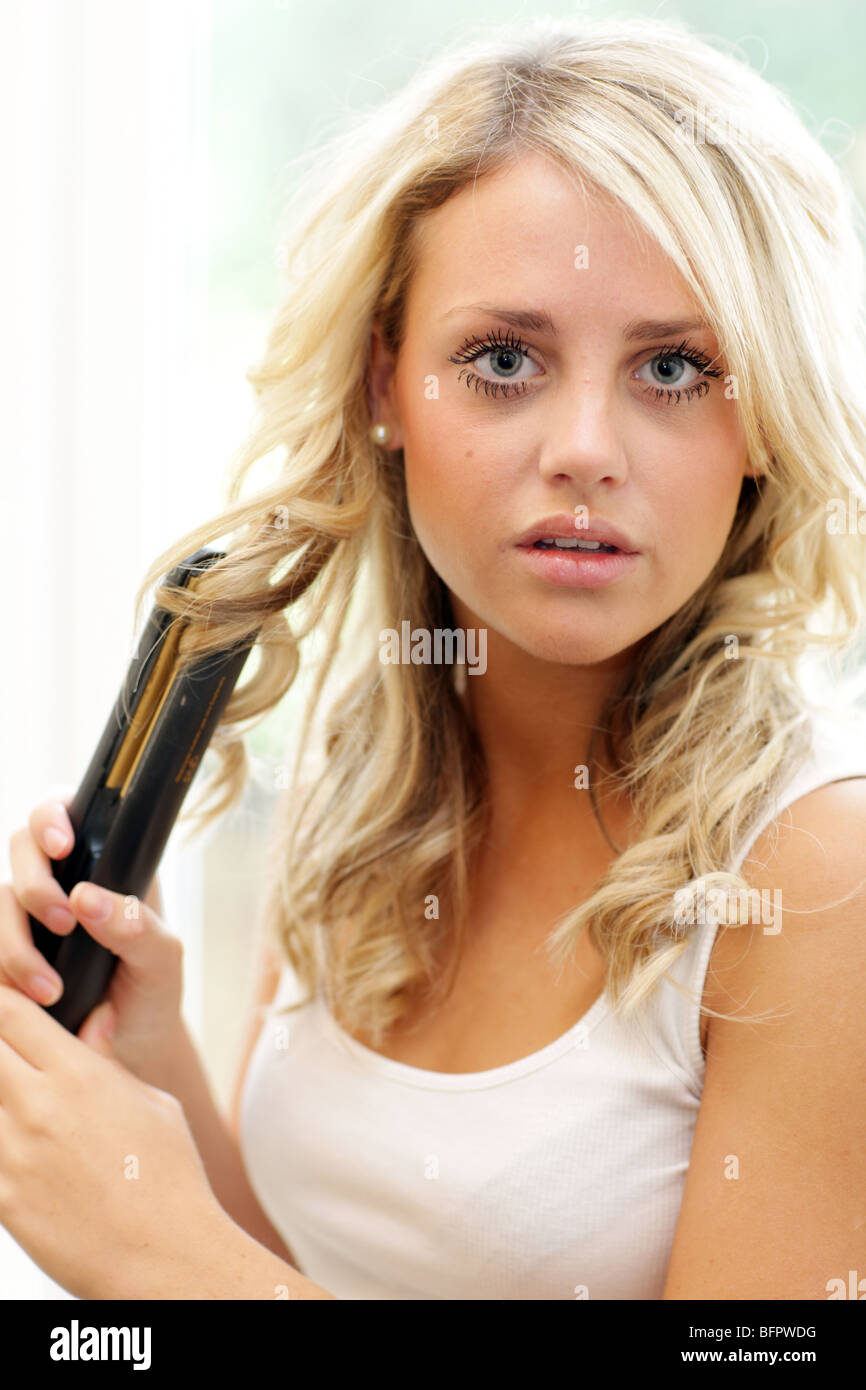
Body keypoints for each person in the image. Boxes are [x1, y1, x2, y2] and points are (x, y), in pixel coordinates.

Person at [5, 14, 866, 1300]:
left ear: (762, 421)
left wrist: (162, 1265)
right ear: (382, 385)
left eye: (676, 366)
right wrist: (147, 1063)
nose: (584, 446)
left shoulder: (813, 880)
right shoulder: (361, 787)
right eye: (503, 358)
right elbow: (325, 1271)